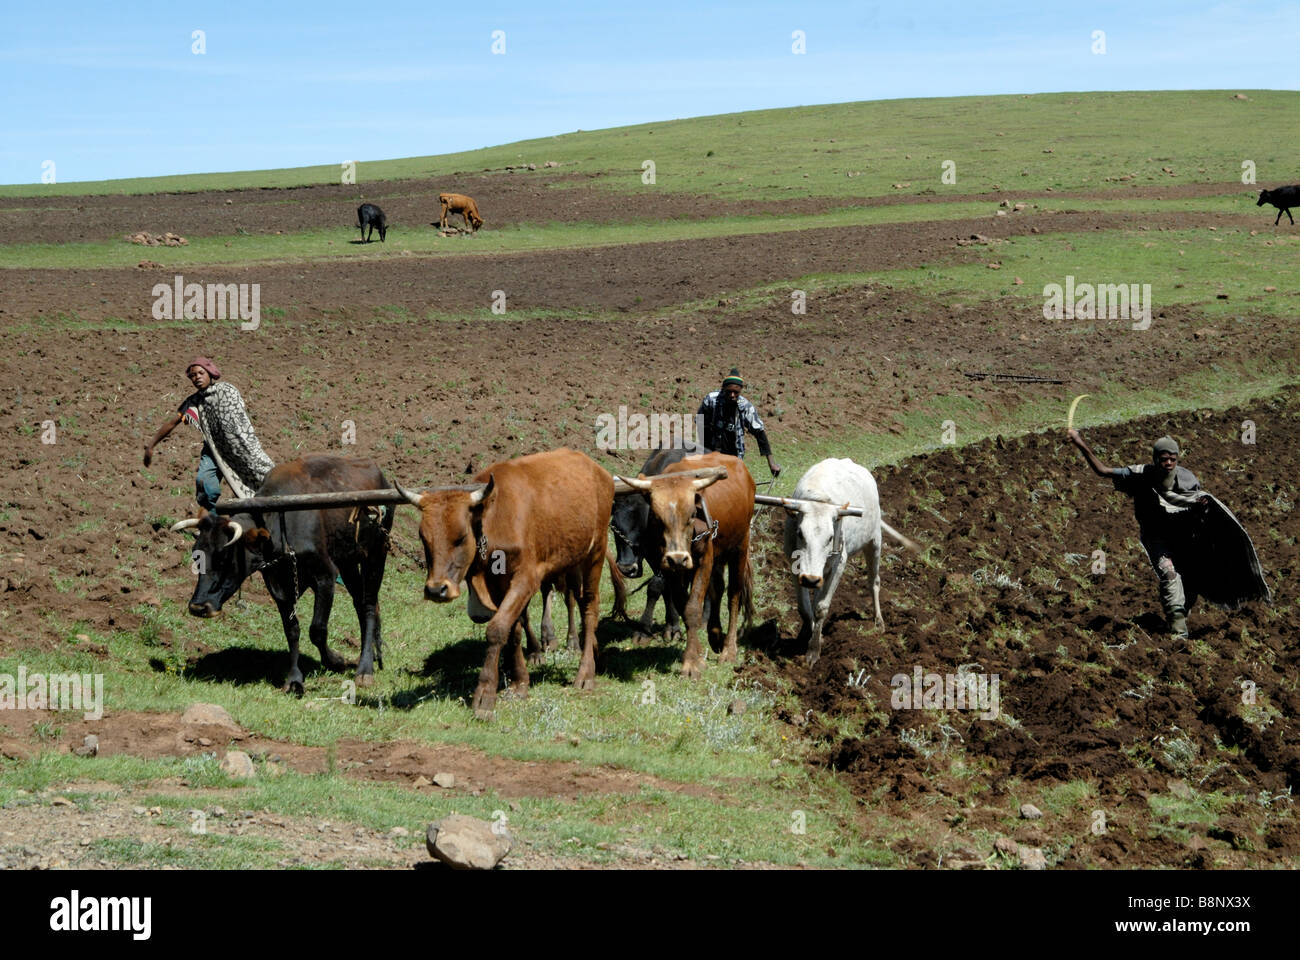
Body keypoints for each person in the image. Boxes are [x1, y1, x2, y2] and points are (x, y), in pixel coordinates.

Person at [1068, 430, 1211, 638]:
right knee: (1170, 576)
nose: (1169, 463)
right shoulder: (1140, 475)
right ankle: (1179, 635)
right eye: (1164, 459)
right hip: (1155, 537)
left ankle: (1179, 613)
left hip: (1182, 536)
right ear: (1155, 459)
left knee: (1191, 581)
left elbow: (1200, 509)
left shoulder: (1188, 480)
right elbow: (1103, 471)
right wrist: (1080, 443)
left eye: (1173, 459)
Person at [143, 357, 275, 509]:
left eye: (201, 373)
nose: (197, 377)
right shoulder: (193, 402)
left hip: (239, 446)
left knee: (266, 477)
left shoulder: (227, 390)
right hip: (213, 448)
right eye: (193, 375)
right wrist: (151, 445)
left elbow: (240, 423)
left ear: (210, 373)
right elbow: (173, 422)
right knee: (204, 483)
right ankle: (212, 522)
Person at [697, 368, 781, 477]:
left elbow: (760, 434)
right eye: (729, 392)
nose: (732, 395)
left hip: (734, 456)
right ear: (723, 389)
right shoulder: (711, 401)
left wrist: (771, 464)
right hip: (712, 453)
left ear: (740, 391)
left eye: (735, 392)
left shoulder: (745, 407)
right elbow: (701, 424)